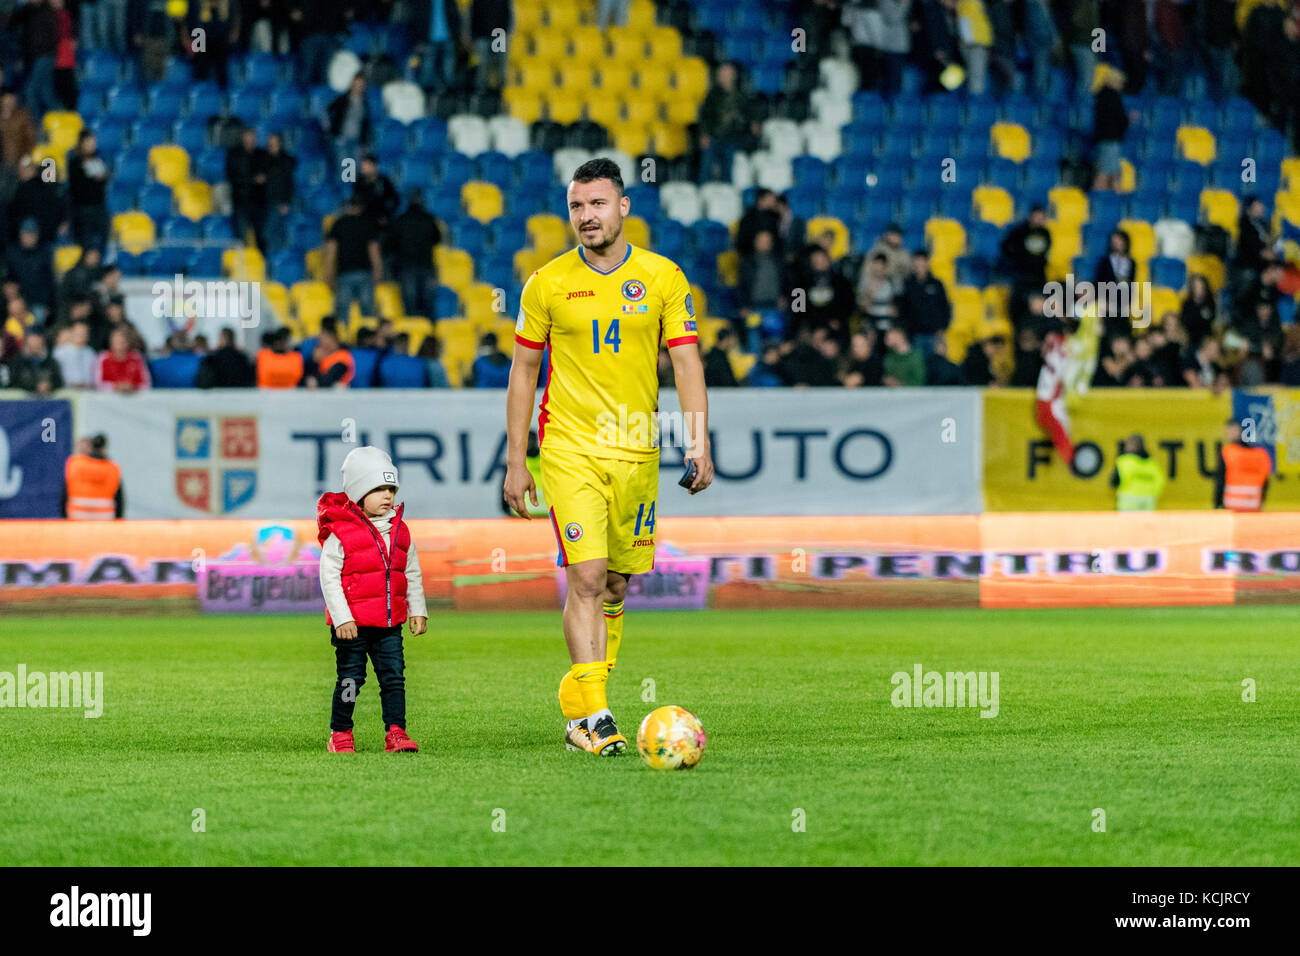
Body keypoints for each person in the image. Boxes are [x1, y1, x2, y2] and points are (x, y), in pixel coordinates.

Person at [503, 158, 714, 757]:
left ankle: (583, 704)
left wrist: (697, 439)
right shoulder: (546, 282)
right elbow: (523, 371)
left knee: (618, 584)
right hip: (568, 448)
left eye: (597, 204)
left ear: (623, 207)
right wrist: (519, 459)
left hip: (637, 449)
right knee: (587, 576)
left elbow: (686, 362)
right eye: (576, 206)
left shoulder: (664, 277)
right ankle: (592, 715)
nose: (585, 216)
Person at [316, 446, 427, 754]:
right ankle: (340, 733)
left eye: (391, 488)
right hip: (352, 627)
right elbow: (329, 578)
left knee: (394, 678)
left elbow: (412, 572)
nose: (387, 495)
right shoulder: (340, 534)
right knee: (351, 679)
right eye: (377, 488)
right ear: (357, 493)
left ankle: (396, 732)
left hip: (390, 624)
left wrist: (417, 610)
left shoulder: (400, 531)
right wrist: (343, 618)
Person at [695, 61, 757, 183]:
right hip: (713, 136)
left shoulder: (740, 95)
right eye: (721, 74)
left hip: (731, 138)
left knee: (727, 170)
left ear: (733, 76)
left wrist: (752, 124)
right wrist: (704, 134)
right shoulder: (712, 95)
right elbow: (705, 116)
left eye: (726, 74)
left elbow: (748, 112)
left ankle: (727, 195)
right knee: (706, 169)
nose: (723, 76)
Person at [324, 196, 382, 324]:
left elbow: (331, 251)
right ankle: (368, 339)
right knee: (367, 311)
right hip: (364, 273)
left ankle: (344, 339)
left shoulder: (338, 224)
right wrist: (378, 272)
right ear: (361, 208)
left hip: (345, 273)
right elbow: (374, 251)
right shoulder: (367, 224)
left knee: (343, 312)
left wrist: (328, 273)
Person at [390, 189, 442, 318]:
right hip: (425, 265)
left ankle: (415, 330)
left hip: (408, 266)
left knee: (410, 303)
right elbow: (437, 239)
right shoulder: (429, 219)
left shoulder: (401, 220)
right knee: (427, 302)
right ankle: (427, 330)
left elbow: (392, 244)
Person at [898, 248, 951, 354]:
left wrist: (942, 328)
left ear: (927, 263)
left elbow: (945, 307)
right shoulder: (908, 285)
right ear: (913, 264)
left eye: (922, 262)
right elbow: (903, 309)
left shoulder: (937, 284)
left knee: (935, 366)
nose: (919, 266)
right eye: (917, 263)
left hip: (934, 335)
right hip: (914, 335)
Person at [1214, 417, 1271, 511]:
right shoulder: (1261, 455)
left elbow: (1220, 481)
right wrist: (1261, 502)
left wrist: (1217, 505)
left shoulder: (1228, 453)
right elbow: (1265, 483)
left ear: (1238, 431)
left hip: (1232, 506)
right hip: (1253, 505)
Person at [226, 127, 268, 251]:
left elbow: (268, 174)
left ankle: (262, 265)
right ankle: (242, 266)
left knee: (261, 237)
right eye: (248, 136)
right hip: (241, 201)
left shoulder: (261, 154)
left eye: (253, 137)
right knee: (240, 237)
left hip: (259, 202)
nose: (251, 139)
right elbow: (232, 176)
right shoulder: (234, 155)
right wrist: (252, 179)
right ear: (243, 137)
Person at [62, 434, 122, 519]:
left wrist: (64, 517)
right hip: (104, 514)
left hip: (77, 513)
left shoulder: (75, 464)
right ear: (104, 448)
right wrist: (118, 520)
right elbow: (119, 499)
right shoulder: (112, 468)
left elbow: (65, 493)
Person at [1092, 68, 1130, 191]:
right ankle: (1097, 199)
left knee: (1110, 171)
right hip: (1111, 139)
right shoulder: (1113, 97)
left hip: (1104, 138)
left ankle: (1110, 199)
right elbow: (1120, 118)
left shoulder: (1100, 97)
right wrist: (1128, 121)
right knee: (1105, 173)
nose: (1121, 85)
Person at [1110, 434, 1166, 510]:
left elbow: (1114, 482)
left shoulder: (1124, 461)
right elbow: (1160, 482)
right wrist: (1151, 494)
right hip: (1148, 502)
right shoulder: (1152, 464)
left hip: (1128, 502)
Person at [5, 328, 62, 392]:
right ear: (26, 341)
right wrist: (35, 387)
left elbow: (59, 382)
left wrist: (49, 386)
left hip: (47, 400)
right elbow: (12, 384)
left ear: (43, 340)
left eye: (38, 339)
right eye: (32, 339)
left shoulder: (51, 362)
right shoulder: (16, 362)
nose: (35, 342)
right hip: (23, 401)